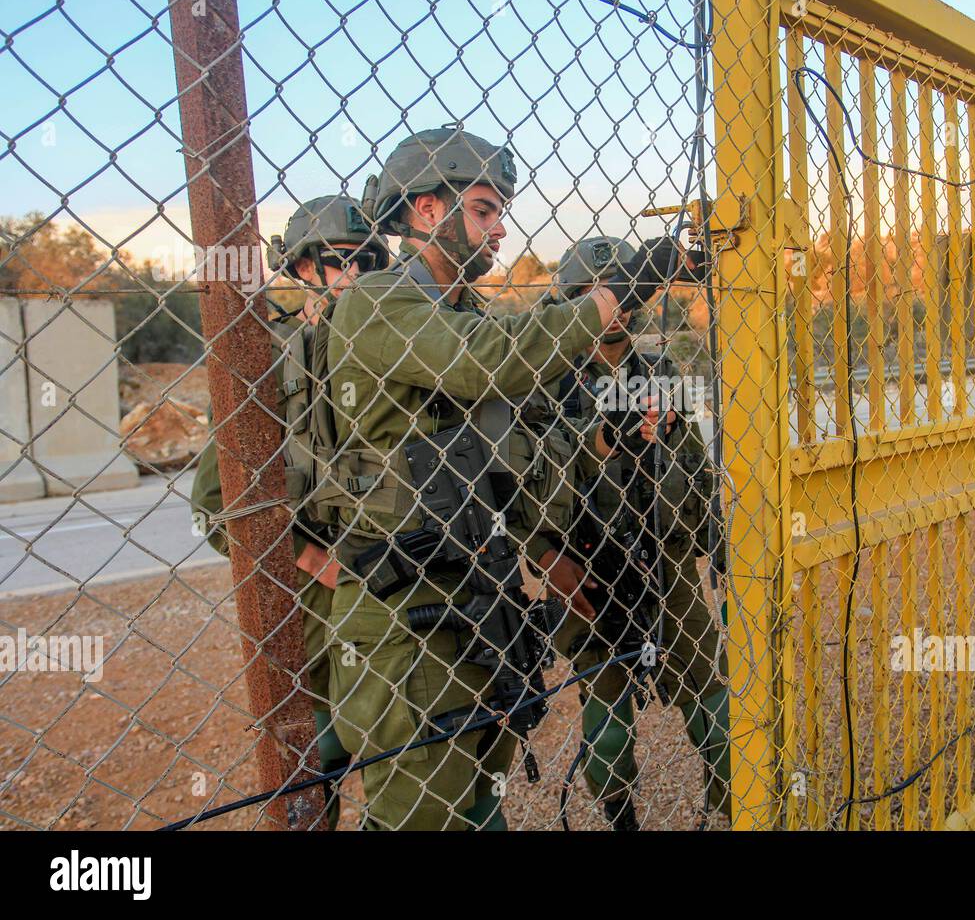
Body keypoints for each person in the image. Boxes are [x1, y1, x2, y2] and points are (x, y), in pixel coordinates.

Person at [322, 126, 651, 829]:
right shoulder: (377, 304)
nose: (500, 227)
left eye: (500, 210)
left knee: (478, 806)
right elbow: (490, 362)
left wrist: (554, 554)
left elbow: (515, 456)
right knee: (419, 815)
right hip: (405, 617)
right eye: (482, 208)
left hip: (480, 599)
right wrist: (605, 299)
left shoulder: (469, 312)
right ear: (423, 212)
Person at [190, 193, 389, 828]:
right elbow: (215, 506)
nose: (357, 275)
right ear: (304, 269)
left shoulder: (393, 348)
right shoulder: (268, 360)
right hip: (313, 605)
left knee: (402, 756)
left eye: (370, 261)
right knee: (317, 761)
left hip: (393, 589)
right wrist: (312, 560)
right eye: (341, 261)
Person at [546, 235, 731, 830]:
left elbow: (692, 460)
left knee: (711, 692)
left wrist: (714, 531)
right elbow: (538, 476)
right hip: (592, 565)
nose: (617, 310)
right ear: (574, 303)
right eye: (598, 298)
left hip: (667, 558)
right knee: (606, 718)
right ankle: (622, 816)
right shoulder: (550, 380)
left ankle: (736, 806)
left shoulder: (658, 367)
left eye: (625, 297)